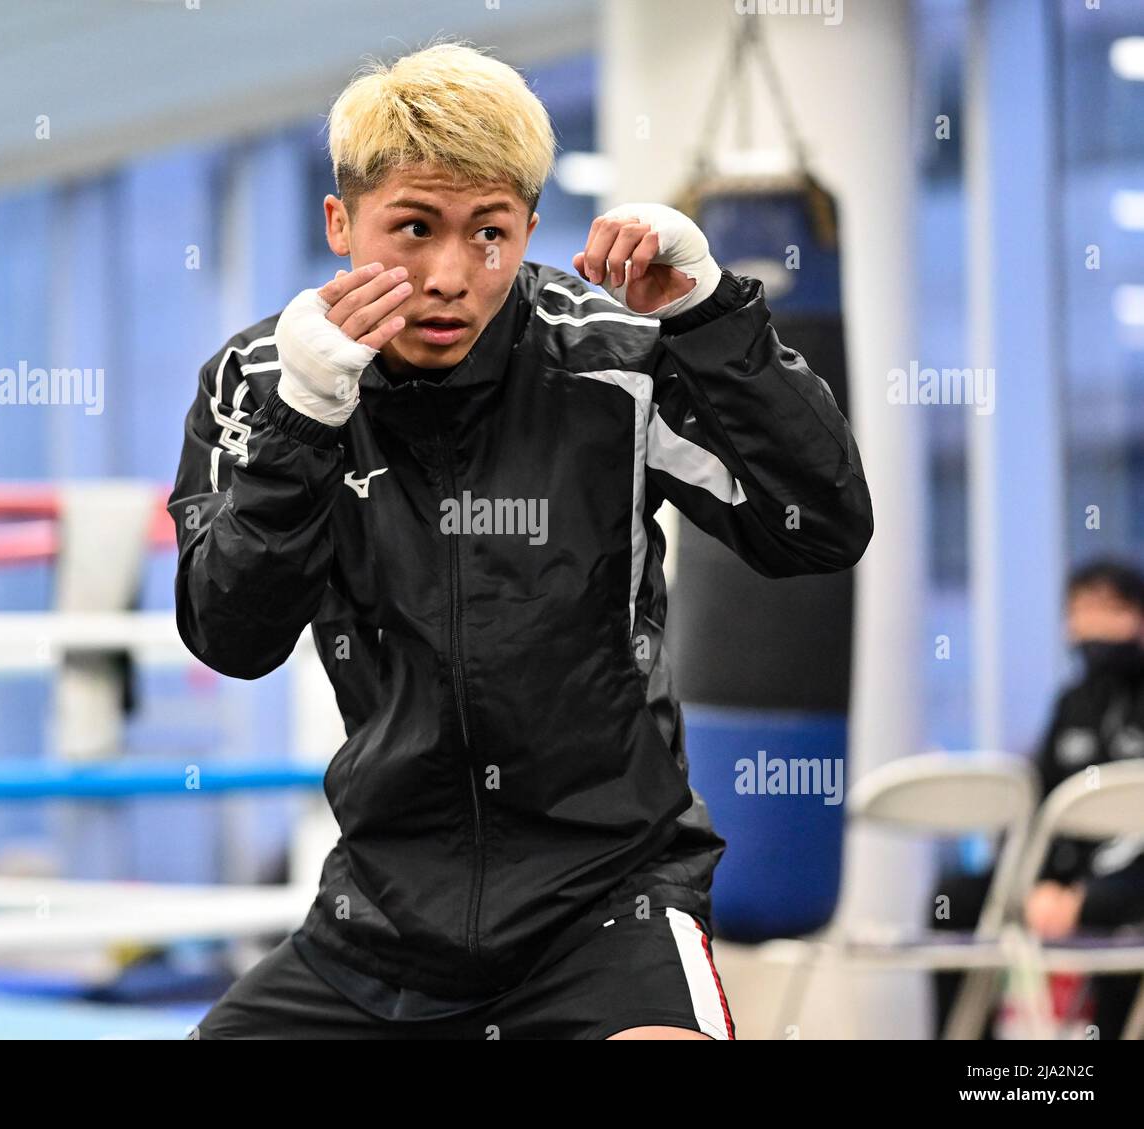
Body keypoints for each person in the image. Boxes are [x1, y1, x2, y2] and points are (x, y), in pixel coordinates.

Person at [168, 39, 873, 1040]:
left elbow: (818, 527)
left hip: (608, 906)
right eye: (412, 228)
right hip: (380, 921)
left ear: (530, 226)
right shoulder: (259, 380)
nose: (452, 275)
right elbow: (231, 637)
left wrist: (716, 322)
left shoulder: (612, 360)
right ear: (340, 221)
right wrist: (307, 418)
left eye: (489, 232)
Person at [930, 559, 1144, 1039]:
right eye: (1081, 611)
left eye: (1110, 610)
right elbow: (1036, 804)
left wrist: (1085, 896)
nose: (1093, 625)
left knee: (1112, 913)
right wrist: (1032, 882)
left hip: (1130, 879)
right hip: (1061, 877)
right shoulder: (1071, 704)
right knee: (954, 899)